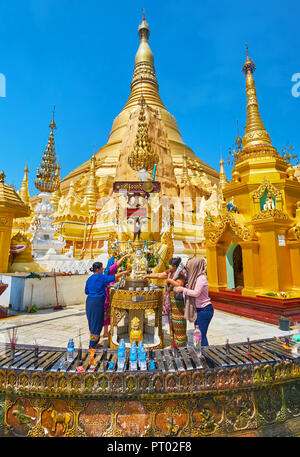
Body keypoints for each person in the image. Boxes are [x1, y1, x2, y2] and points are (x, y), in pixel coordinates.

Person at [143, 257, 187, 347]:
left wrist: (170, 280)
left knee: (178, 323)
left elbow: (180, 284)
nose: (169, 266)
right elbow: (159, 275)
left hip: (178, 302)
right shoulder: (170, 272)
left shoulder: (181, 273)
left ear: (175, 266)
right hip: (170, 301)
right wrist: (147, 276)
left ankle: (181, 345)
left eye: (170, 265)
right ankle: (173, 343)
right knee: (172, 323)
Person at [85, 261, 129, 349]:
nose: (103, 269)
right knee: (97, 323)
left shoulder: (89, 278)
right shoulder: (101, 276)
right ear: (98, 269)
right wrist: (124, 272)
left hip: (89, 302)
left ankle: (95, 342)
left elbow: (86, 291)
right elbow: (113, 277)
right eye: (102, 268)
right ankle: (92, 346)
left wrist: (102, 288)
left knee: (92, 322)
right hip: (97, 302)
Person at [174, 258, 214, 346]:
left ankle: (206, 356)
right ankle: (201, 354)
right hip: (198, 310)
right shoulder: (195, 278)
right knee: (198, 335)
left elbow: (196, 293)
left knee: (201, 335)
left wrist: (183, 289)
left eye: (189, 268)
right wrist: (188, 288)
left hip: (204, 310)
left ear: (194, 267)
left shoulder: (201, 278)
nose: (188, 270)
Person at [103, 254, 131, 338]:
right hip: (109, 296)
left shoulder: (110, 272)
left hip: (109, 295)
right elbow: (117, 264)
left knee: (109, 314)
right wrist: (125, 256)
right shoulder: (111, 269)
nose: (116, 262)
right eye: (114, 261)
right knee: (108, 314)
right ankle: (106, 332)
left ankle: (107, 331)